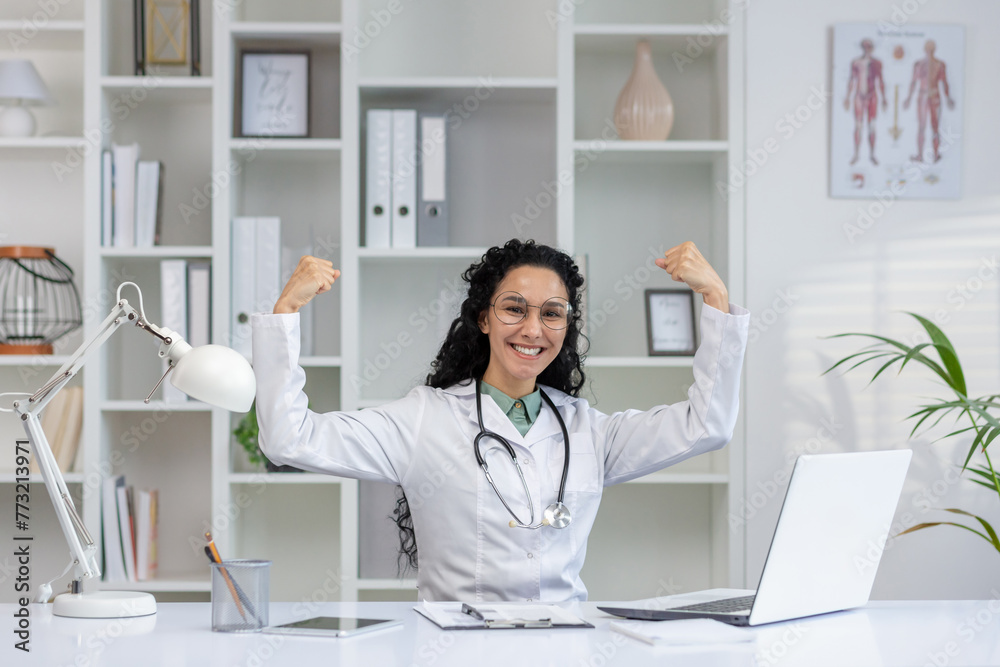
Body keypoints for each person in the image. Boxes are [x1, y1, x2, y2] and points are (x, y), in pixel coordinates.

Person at [251, 239, 749, 602]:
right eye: (515, 308)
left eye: (553, 313)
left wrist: (717, 302)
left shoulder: (589, 432)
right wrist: (285, 314)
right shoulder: (424, 419)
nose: (533, 329)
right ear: (484, 318)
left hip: (563, 648)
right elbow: (290, 439)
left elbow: (707, 425)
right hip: (454, 652)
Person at [903, 39, 956, 163]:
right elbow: (913, 82)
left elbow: (944, 82)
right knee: (925, 127)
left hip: (932, 96)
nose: (929, 51)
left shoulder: (938, 64)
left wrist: (948, 97)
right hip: (926, 96)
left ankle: (932, 155)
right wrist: (909, 98)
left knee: (932, 127)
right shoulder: (921, 64)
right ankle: (925, 155)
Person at [843, 38, 887, 166]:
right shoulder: (856, 63)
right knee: (858, 126)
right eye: (865, 47)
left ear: (872, 48)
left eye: (869, 47)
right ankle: (856, 154)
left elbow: (881, 81)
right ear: (862, 48)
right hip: (859, 97)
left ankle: (872, 154)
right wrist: (847, 97)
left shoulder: (877, 63)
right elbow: (852, 80)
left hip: (872, 96)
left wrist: (884, 98)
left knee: (871, 126)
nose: (867, 49)